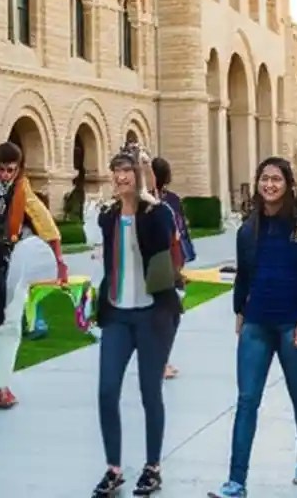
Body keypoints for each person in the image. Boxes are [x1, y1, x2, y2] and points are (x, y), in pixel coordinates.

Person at [210, 157, 297, 498]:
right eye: (264, 179)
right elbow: (244, 275)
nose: (270, 185)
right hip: (257, 324)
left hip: (293, 324)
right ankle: (236, 480)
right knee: (246, 400)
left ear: (288, 184)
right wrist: (239, 314)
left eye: (276, 179)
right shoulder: (249, 228)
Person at [90, 147, 184, 497]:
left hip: (152, 315)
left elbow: (163, 239)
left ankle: (152, 466)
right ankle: (113, 468)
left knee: (149, 392)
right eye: (116, 170)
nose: (120, 177)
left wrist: (145, 198)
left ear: (140, 175)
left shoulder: (156, 214)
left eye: (127, 170)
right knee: (106, 391)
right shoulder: (108, 216)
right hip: (117, 313)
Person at [0, 141, 66, 409]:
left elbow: (44, 221)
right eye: (1, 169)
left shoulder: (18, 190)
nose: (5, 175)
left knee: (3, 325)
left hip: (9, 261)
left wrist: (58, 258)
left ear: (18, 169)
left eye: (10, 170)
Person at [151, 155, 194, 381]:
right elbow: (180, 232)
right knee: (168, 314)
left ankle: (161, 360)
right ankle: (160, 362)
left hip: (162, 264)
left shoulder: (157, 201)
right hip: (164, 264)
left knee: (166, 314)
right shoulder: (167, 201)